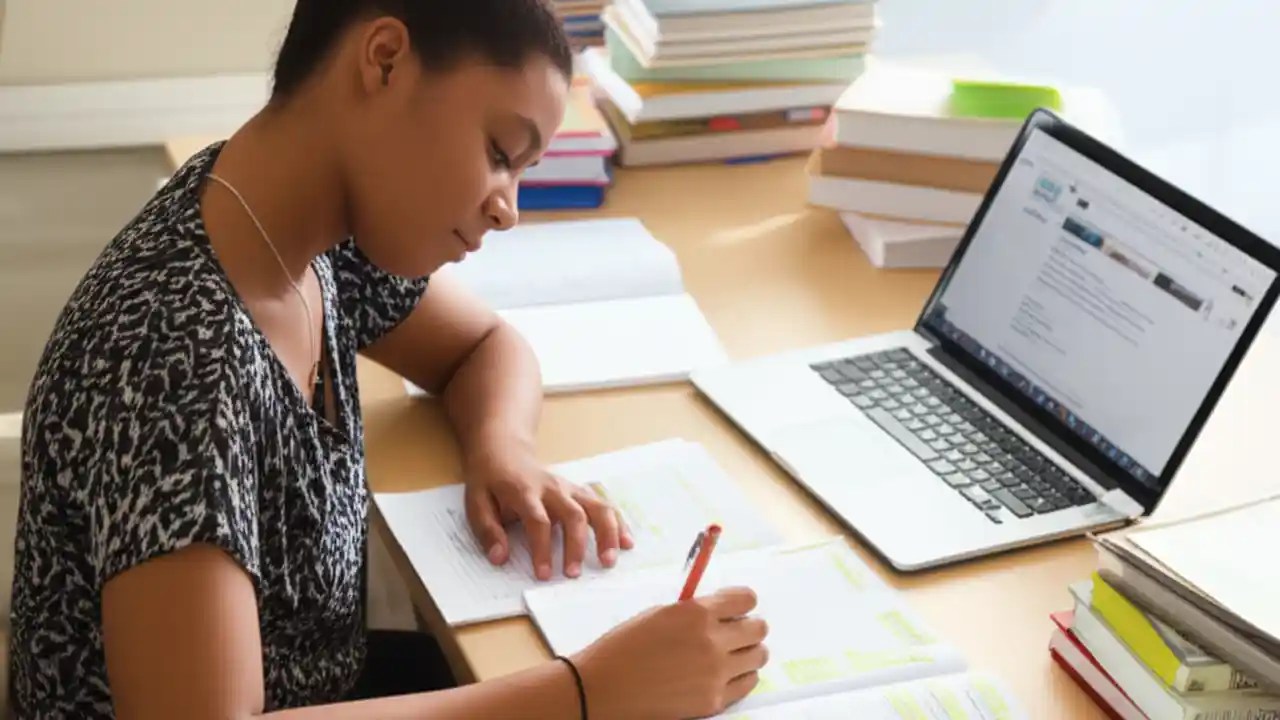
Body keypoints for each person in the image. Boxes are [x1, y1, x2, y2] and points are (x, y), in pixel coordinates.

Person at [7, 1, 769, 718]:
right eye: (500, 153)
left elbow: (485, 347)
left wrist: (504, 453)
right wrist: (584, 692)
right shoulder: (172, 354)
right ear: (384, 60)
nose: (508, 206)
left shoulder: (302, 235)